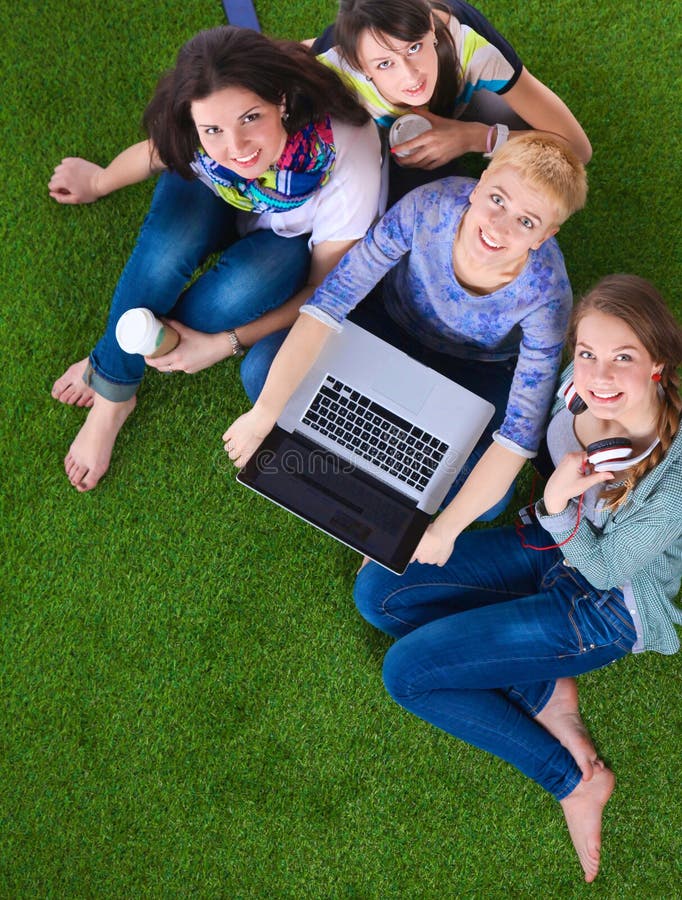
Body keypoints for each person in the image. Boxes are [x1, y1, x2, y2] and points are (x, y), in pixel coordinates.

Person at [353, 275, 682, 882]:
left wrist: (558, 505)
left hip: (605, 605)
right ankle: (544, 691)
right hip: (549, 548)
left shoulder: (677, 473)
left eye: (623, 358)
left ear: (658, 364)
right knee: (378, 592)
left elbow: (608, 567)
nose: (599, 375)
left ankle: (571, 781)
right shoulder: (574, 393)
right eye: (587, 354)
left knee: (406, 675)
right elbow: (514, 446)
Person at [48, 25, 382, 492]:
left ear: (280, 100)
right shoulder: (201, 130)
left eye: (251, 118)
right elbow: (157, 155)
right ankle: (113, 396)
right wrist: (100, 181)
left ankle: (109, 356)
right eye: (213, 130)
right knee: (161, 256)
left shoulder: (346, 158)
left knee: (228, 298)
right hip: (217, 193)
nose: (236, 147)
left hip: (288, 237)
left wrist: (226, 342)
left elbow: (321, 293)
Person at [225, 132, 587, 533]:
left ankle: (373, 448)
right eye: (498, 199)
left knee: (489, 503)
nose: (498, 227)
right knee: (261, 367)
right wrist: (264, 415)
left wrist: (441, 530)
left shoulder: (548, 295)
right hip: (389, 323)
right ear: (480, 184)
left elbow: (520, 430)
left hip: (473, 369)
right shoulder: (429, 206)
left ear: (544, 237)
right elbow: (330, 301)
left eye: (526, 222)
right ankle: (388, 453)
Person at [309, 0, 591, 201]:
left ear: (431, 26)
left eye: (414, 47)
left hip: (461, 100)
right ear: (360, 66)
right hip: (368, 127)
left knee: (527, 135)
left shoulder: (471, 42)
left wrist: (476, 137)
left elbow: (577, 149)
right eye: (385, 64)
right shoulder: (333, 70)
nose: (410, 76)